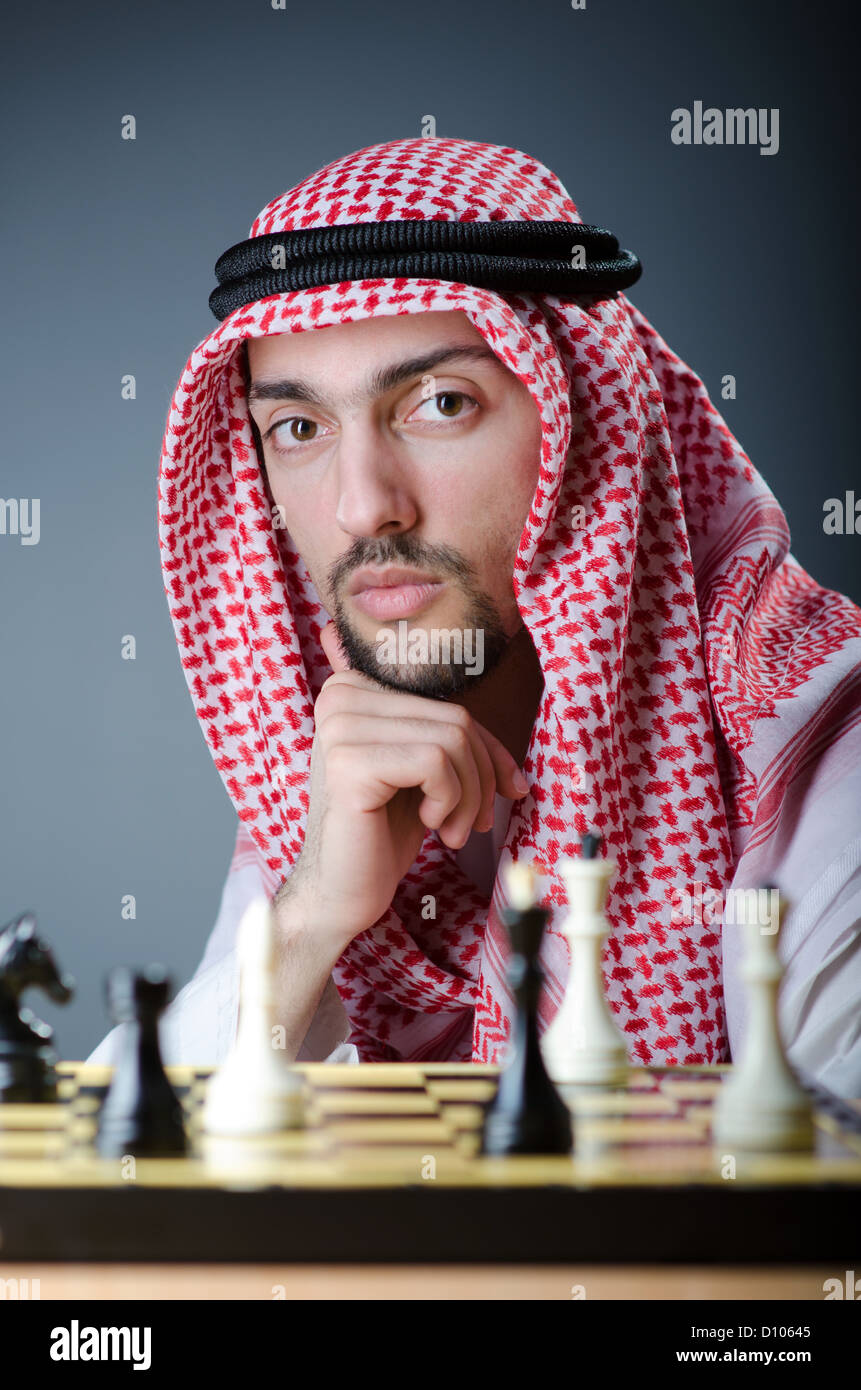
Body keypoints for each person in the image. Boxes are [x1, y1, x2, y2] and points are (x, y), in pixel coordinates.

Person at [88, 137, 861, 1096]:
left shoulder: (825, 755)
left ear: (584, 424)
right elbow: (126, 1162)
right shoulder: (344, 764)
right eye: (299, 428)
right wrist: (309, 919)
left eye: (439, 404)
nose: (362, 506)